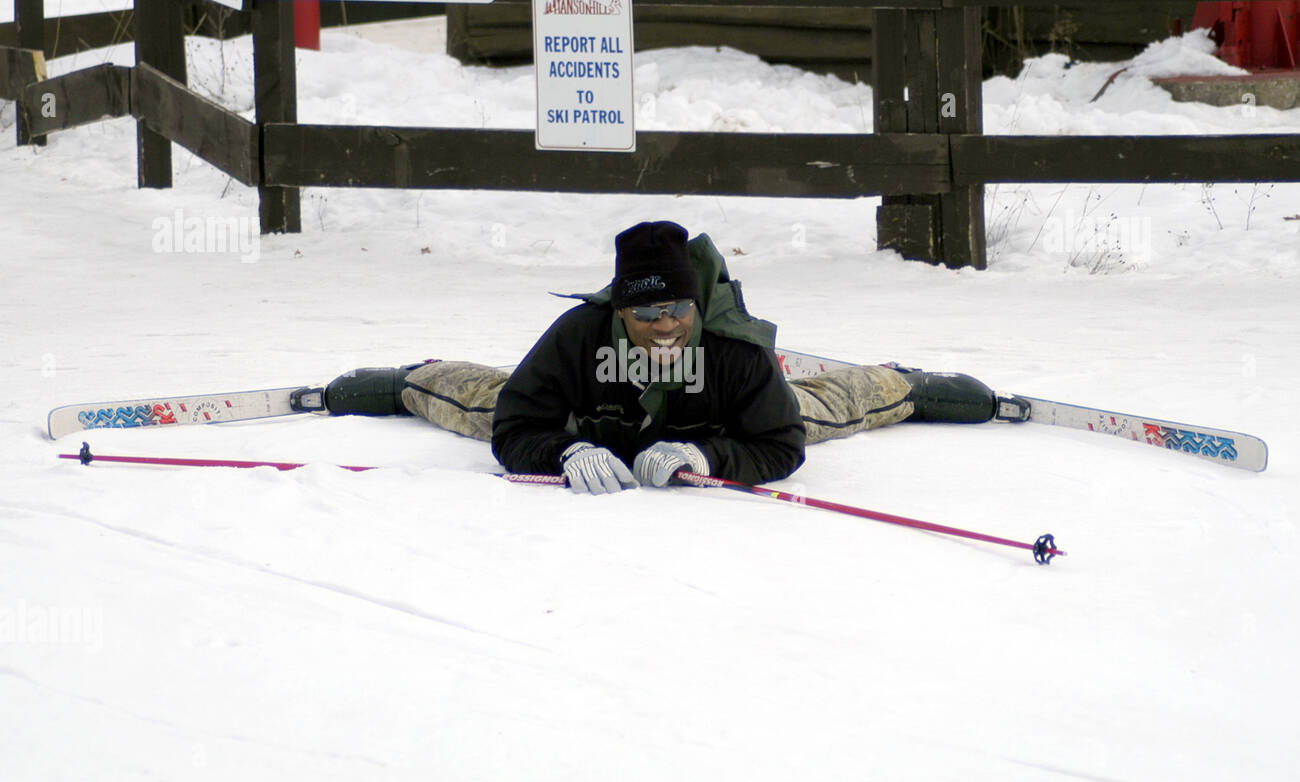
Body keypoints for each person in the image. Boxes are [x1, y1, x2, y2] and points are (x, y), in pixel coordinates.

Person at [292, 221, 1028, 493]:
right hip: (597, 421)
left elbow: (780, 445)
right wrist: (561, 452)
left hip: (717, 419)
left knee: (825, 407)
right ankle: (404, 380)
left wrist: (710, 459)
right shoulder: (578, 338)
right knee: (479, 399)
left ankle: (908, 382)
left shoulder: (731, 352)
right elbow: (517, 421)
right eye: (648, 313)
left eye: (679, 308)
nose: (667, 323)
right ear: (619, 311)